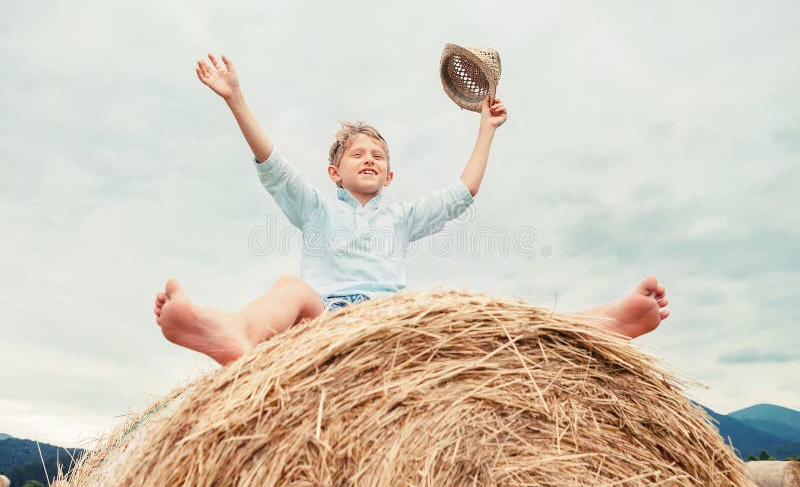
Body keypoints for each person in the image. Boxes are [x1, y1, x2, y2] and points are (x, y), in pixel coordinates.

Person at [153, 53, 670, 365]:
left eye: (379, 155)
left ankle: (591, 325)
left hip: (391, 317)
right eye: (358, 153)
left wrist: (485, 130)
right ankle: (235, 332)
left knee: (478, 311)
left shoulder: (398, 219)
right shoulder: (313, 207)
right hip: (323, 321)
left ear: (391, 175)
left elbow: (461, 194)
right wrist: (235, 99)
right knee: (290, 288)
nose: (370, 158)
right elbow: (271, 162)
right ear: (335, 172)